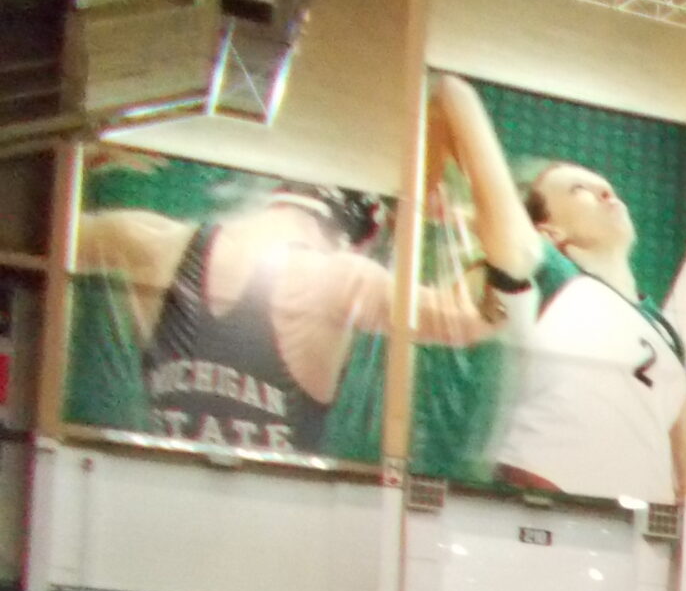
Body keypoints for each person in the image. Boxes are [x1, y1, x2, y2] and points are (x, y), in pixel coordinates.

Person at [73, 170, 483, 457]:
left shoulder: (151, 243)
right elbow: (472, 317)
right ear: (355, 239)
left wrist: (85, 159)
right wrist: (474, 226)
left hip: (157, 505)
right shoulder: (342, 279)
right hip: (275, 519)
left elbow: (51, 233)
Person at [428, 73, 686, 503]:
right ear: (549, 232)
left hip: (635, 526)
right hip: (545, 507)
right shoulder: (548, 275)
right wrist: (449, 117)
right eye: (579, 190)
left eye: (605, 186)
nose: (605, 191)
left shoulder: (667, 333)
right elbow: (454, 96)